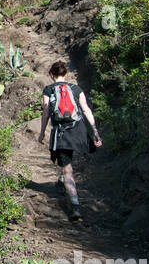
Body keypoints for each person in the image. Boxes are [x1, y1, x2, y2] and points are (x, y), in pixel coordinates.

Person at [37, 60, 101, 221]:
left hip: (61, 134)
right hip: (79, 132)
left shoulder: (48, 89)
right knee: (68, 162)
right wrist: (94, 131)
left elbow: (46, 113)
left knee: (67, 170)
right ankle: (61, 181)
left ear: (51, 74)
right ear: (66, 74)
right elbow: (85, 109)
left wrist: (42, 132)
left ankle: (75, 206)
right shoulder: (76, 89)